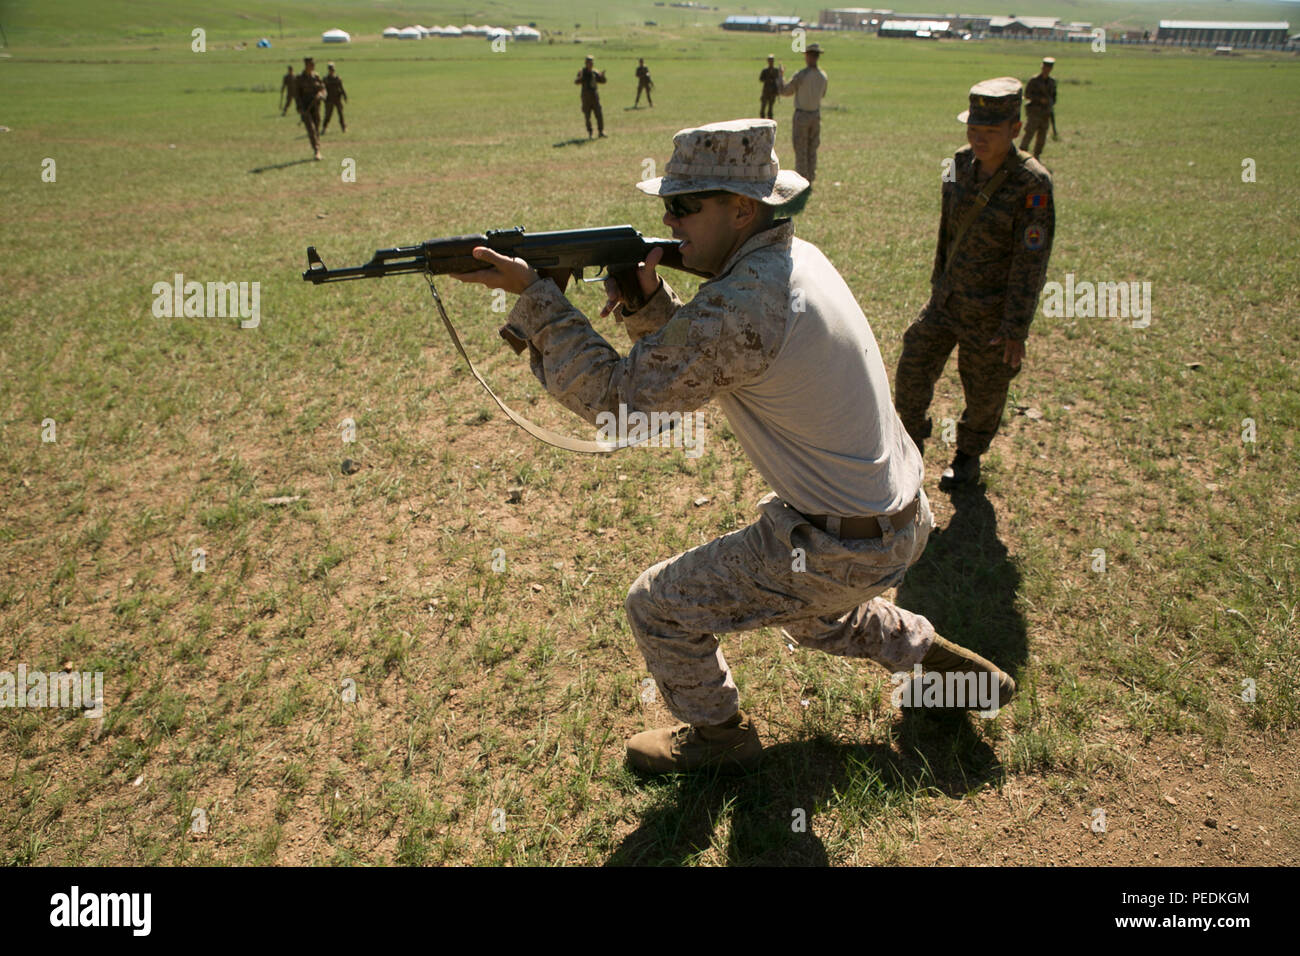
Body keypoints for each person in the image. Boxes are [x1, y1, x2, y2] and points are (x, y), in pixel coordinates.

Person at [451, 119, 1017, 774]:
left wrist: (537, 301)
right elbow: (704, 359)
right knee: (816, 614)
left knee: (658, 605)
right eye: (667, 205)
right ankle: (948, 668)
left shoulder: (746, 304)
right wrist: (646, 301)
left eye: (684, 206)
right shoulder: (793, 261)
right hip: (897, 524)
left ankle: (721, 742)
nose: (669, 220)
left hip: (842, 547)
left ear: (741, 208)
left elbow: (621, 406)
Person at [894, 78, 1054, 489]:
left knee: (984, 392)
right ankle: (910, 449)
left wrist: (1015, 327)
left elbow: (1030, 262)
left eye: (990, 133)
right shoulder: (958, 165)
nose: (979, 140)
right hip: (946, 301)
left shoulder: (1032, 184)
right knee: (912, 365)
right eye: (973, 131)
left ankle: (967, 458)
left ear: (1015, 130)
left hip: (992, 313)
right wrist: (937, 286)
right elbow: (946, 233)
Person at [779, 43, 828, 183]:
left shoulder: (802, 75)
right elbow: (823, 94)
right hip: (815, 115)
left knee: (800, 149)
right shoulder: (823, 76)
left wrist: (780, 77)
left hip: (802, 116)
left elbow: (785, 91)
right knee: (812, 148)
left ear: (808, 56)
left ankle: (801, 179)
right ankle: (811, 177)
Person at [1019, 58, 1056, 159]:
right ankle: (1021, 155)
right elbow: (1027, 95)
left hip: (1045, 113)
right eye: (1045, 67)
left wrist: (1049, 103)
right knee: (1029, 134)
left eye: (1049, 68)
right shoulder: (1034, 81)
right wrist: (1040, 100)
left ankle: (1037, 156)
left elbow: (1054, 98)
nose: (1047, 69)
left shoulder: (1052, 82)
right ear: (1042, 67)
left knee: (1042, 137)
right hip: (1034, 112)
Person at [294, 56, 326, 160]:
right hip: (305, 108)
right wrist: (299, 107)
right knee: (311, 129)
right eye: (311, 64)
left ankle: (317, 148)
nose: (313, 66)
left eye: (313, 64)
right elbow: (297, 95)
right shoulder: (299, 78)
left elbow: (323, 89)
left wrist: (321, 95)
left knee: (316, 129)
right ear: (306, 65)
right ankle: (317, 150)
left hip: (316, 107)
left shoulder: (316, 76)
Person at [575, 55, 606, 138]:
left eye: (592, 62)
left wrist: (602, 76)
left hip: (595, 97)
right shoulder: (582, 72)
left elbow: (603, 81)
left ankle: (601, 131)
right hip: (586, 97)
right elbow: (576, 82)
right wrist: (581, 77)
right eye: (589, 62)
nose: (591, 64)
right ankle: (590, 132)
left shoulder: (595, 72)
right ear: (586, 63)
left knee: (599, 114)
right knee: (587, 116)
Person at [321, 62, 348, 135]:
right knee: (327, 115)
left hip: (337, 99)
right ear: (328, 70)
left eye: (332, 69)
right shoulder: (325, 79)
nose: (331, 71)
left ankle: (343, 127)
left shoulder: (337, 79)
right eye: (330, 69)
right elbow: (322, 89)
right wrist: (323, 97)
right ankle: (324, 128)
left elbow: (341, 88)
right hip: (329, 100)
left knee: (340, 114)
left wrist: (345, 95)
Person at [758, 54, 780, 119]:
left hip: (773, 92)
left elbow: (778, 80)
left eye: (772, 60)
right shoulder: (765, 70)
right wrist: (767, 79)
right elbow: (761, 79)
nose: (771, 62)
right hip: (766, 91)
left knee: (770, 109)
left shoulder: (776, 70)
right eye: (770, 60)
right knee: (763, 108)